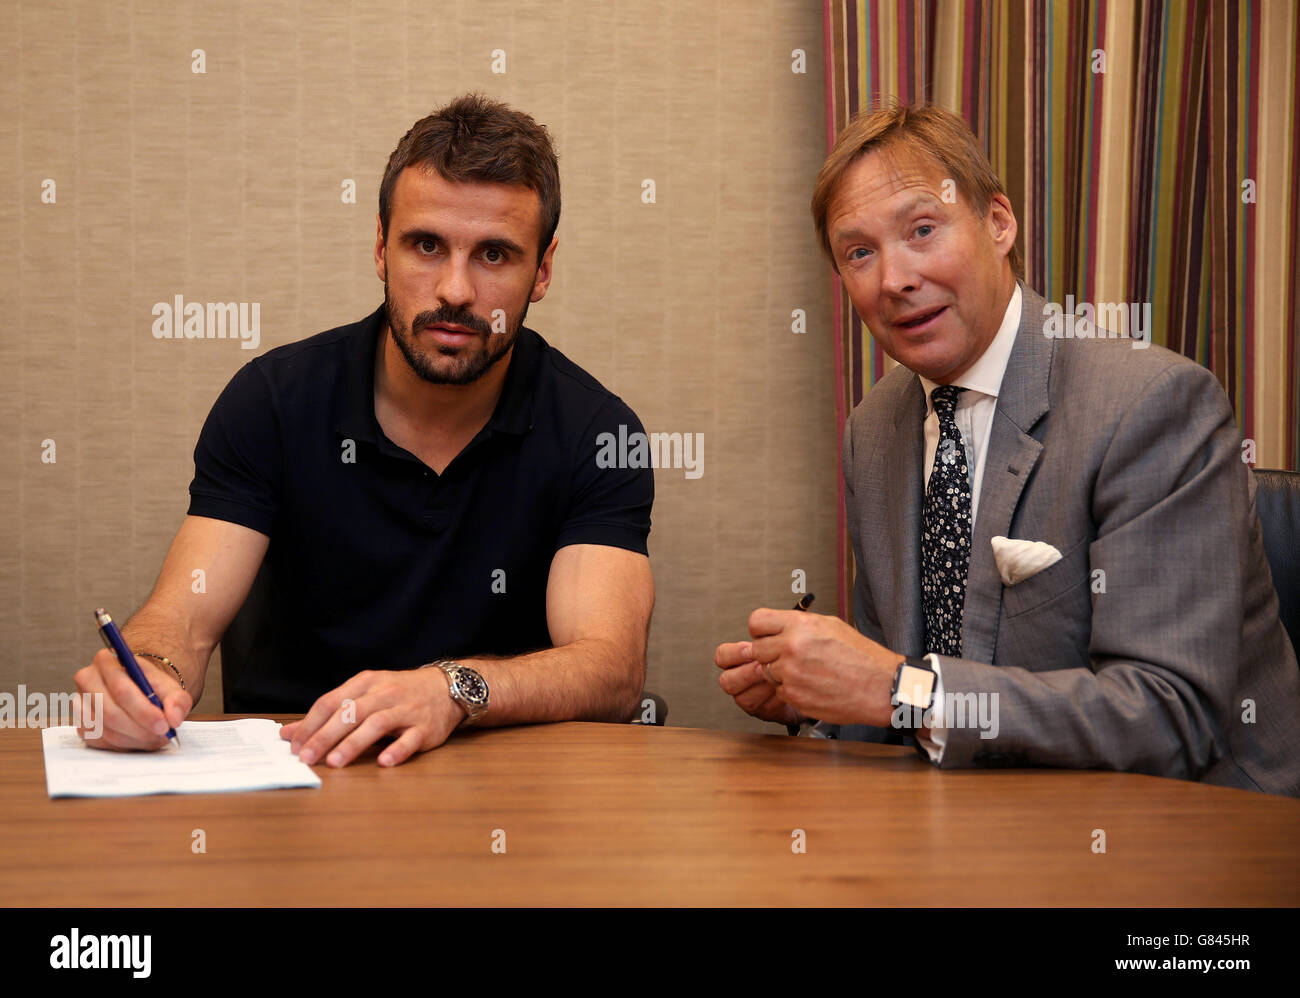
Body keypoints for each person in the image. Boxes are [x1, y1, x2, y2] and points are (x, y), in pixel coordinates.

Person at [716, 102, 1300, 796]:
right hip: (978, 826)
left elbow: (1169, 719)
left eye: (923, 230)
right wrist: (820, 701)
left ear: (998, 224)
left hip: (1197, 838)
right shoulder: (874, 431)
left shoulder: (1153, 404)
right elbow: (903, 702)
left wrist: (899, 691)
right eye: (859, 253)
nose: (894, 279)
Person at [76, 94, 655, 768]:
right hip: (298, 780)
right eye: (426, 245)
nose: (455, 290)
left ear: (543, 270)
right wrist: (146, 675)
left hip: (506, 793)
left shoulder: (598, 432)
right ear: (381, 247)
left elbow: (611, 670)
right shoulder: (272, 402)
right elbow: (184, 621)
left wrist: (453, 690)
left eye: (494, 255)